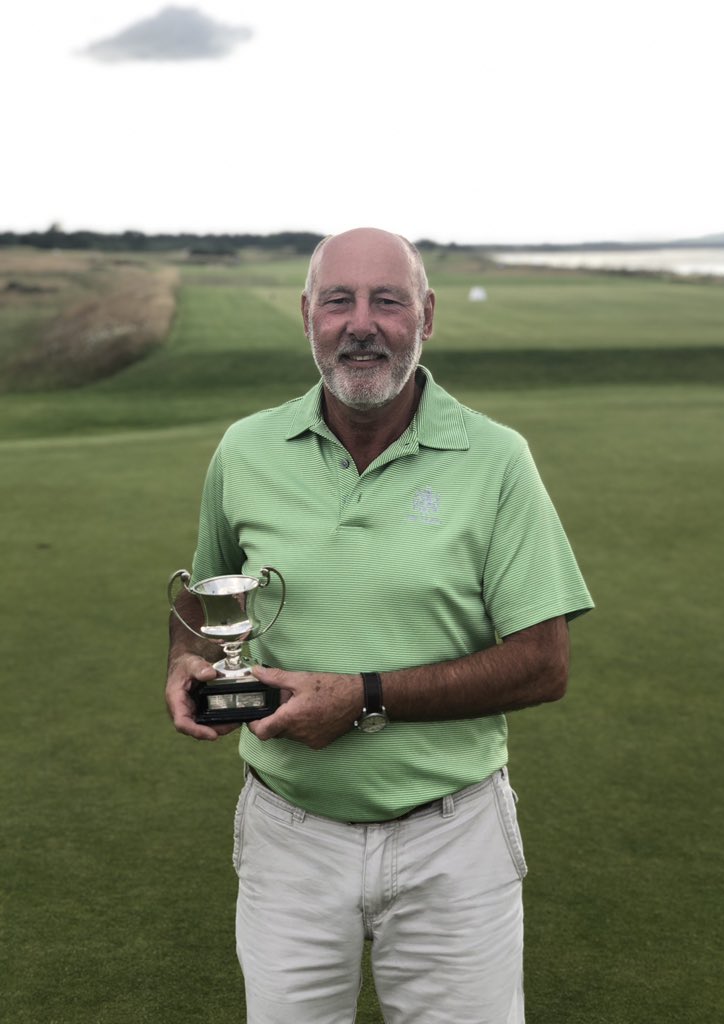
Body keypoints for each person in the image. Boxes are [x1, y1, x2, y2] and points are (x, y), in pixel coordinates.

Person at [165, 227, 593, 1024]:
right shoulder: (245, 449)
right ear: (308, 317)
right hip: (288, 836)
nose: (361, 323)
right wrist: (186, 661)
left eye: (387, 301)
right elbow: (203, 595)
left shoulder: (497, 459)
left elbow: (544, 663)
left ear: (427, 315)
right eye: (339, 301)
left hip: (453, 839)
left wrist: (363, 696)